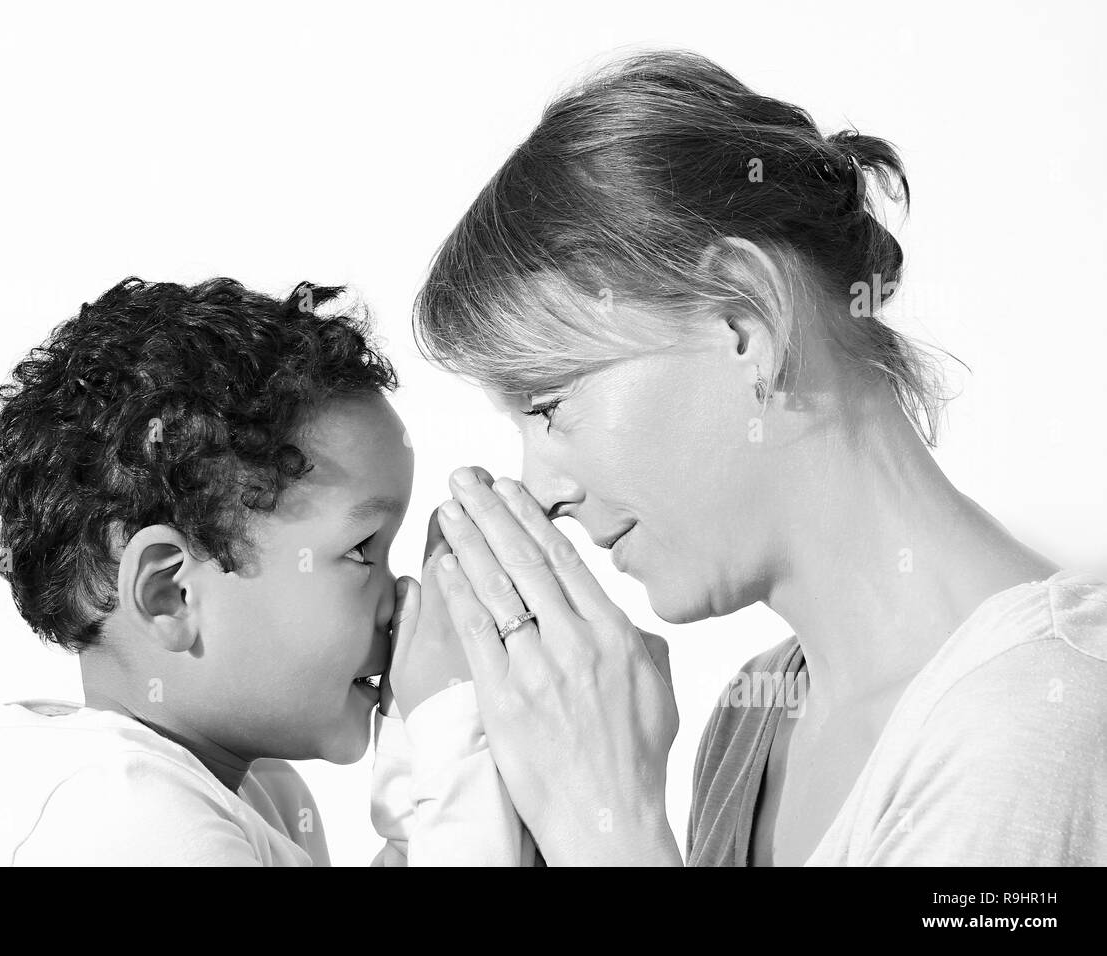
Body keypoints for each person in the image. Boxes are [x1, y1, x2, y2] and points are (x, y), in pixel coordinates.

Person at [411, 50, 1107, 865]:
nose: (542, 490)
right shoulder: (752, 721)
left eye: (550, 405)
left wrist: (600, 818)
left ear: (747, 322)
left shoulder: (1041, 723)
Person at [0, 276, 533, 866]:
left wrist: (426, 749)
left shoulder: (260, 792)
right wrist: (455, 727)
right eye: (362, 550)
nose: (402, 597)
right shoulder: (131, 820)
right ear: (170, 595)